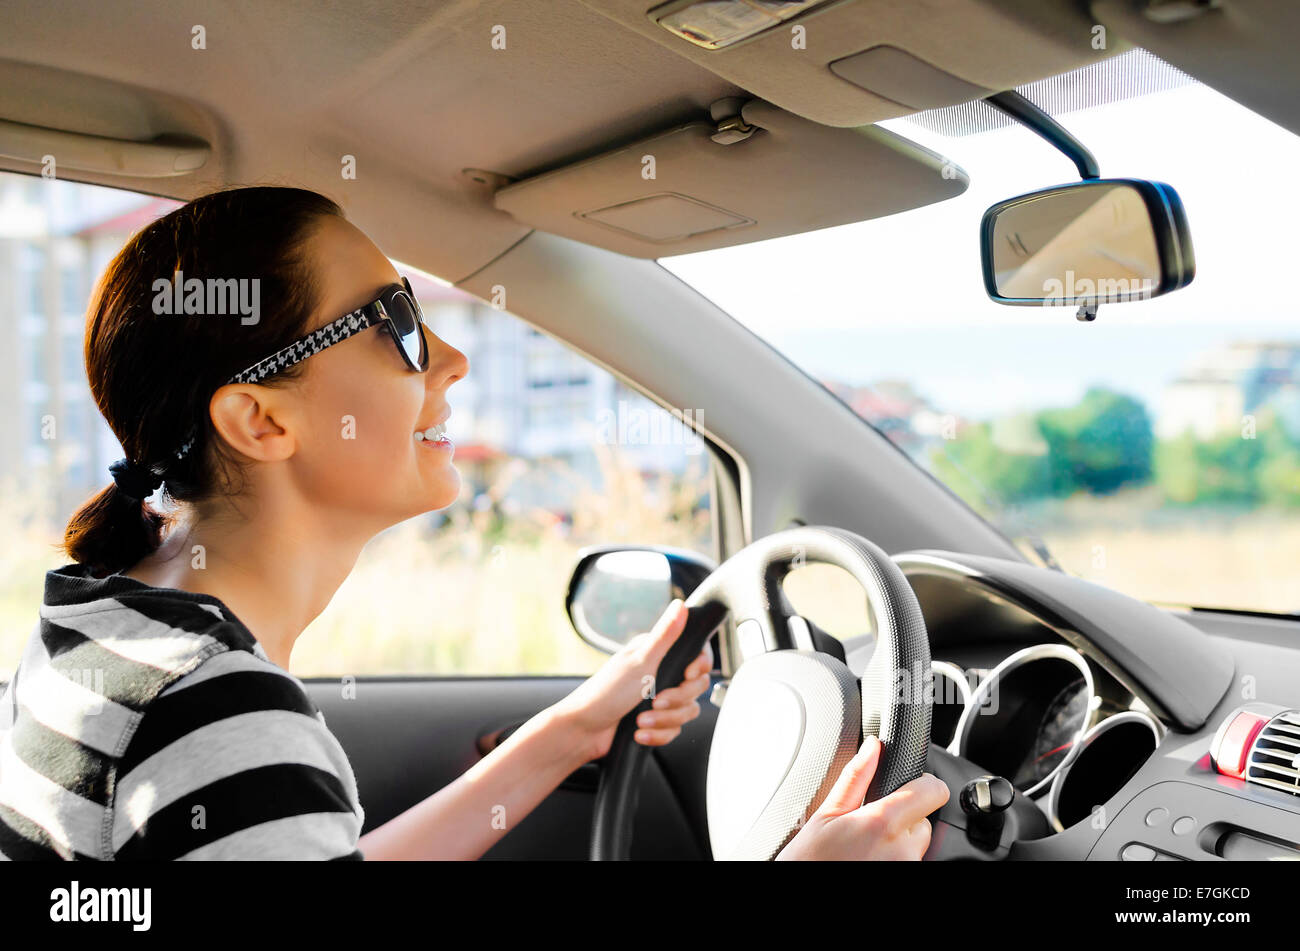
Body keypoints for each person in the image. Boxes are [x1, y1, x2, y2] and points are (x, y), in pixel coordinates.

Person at [0, 186, 945, 860]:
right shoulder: (220, 714)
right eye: (398, 324)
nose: (449, 357)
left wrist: (577, 726)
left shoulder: (100, 628)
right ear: (264, 421)